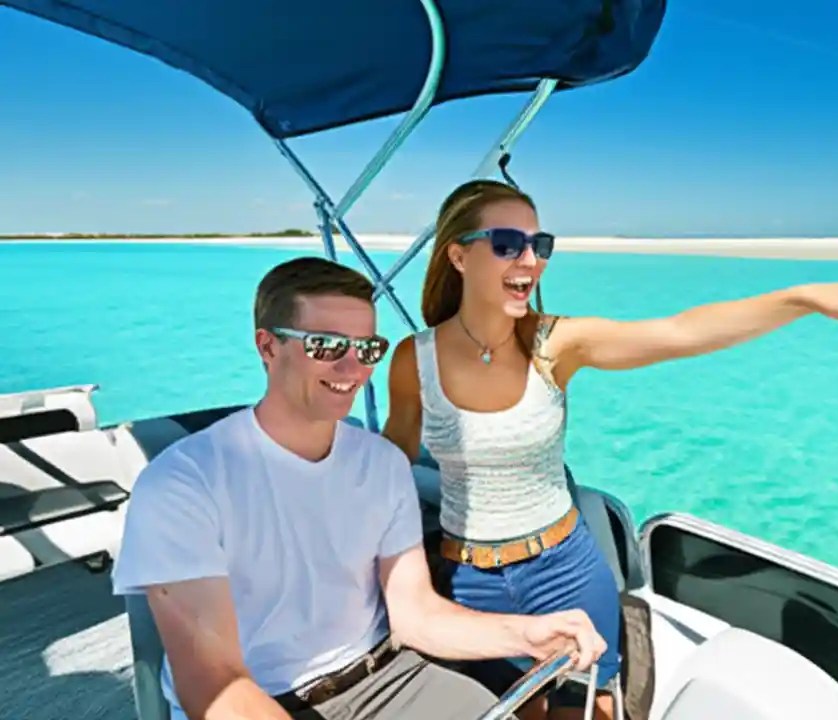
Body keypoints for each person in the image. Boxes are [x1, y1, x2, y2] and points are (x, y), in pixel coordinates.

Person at [380, 179, 838, 719]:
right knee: (512, 710)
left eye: (540, 244)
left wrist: (803, 298)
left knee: (593, 707)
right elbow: (386, 465)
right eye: (507, 244)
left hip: (565, 568)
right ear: (459, 256)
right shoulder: (415, 360)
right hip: (469, 578)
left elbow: (680, 331)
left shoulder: (555, 344)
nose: (530, 260)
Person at [111, 256, 606, 720]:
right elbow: (213, 683)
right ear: (267, 346)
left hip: (389, 677)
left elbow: (415, 615)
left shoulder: (383, 464)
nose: (353, 370)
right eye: (325, 346)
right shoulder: (181, 484)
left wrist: (529, 633)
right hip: (261, 699)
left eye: (367, 348)